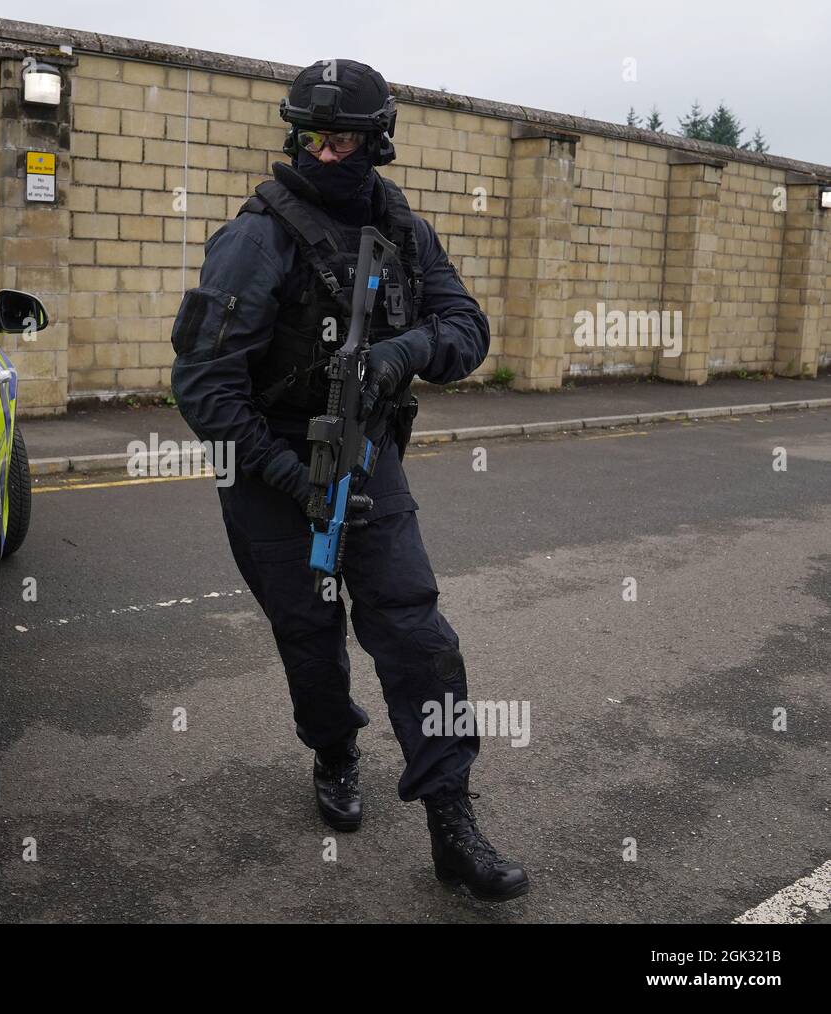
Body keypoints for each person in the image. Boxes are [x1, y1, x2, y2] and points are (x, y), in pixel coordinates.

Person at [170, 59, 528, 901]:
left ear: (379, 144)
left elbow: (466, 328)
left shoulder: (402, 228)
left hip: (369, 455)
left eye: (343, 140)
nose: (324, 155)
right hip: (270, 464)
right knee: (311, 636)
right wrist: (291, 475)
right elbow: (204, 385)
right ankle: (333, 751)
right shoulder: (256, 237)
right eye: (309, 138)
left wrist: (405, 353)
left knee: (415, 632)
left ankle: (452, 820)